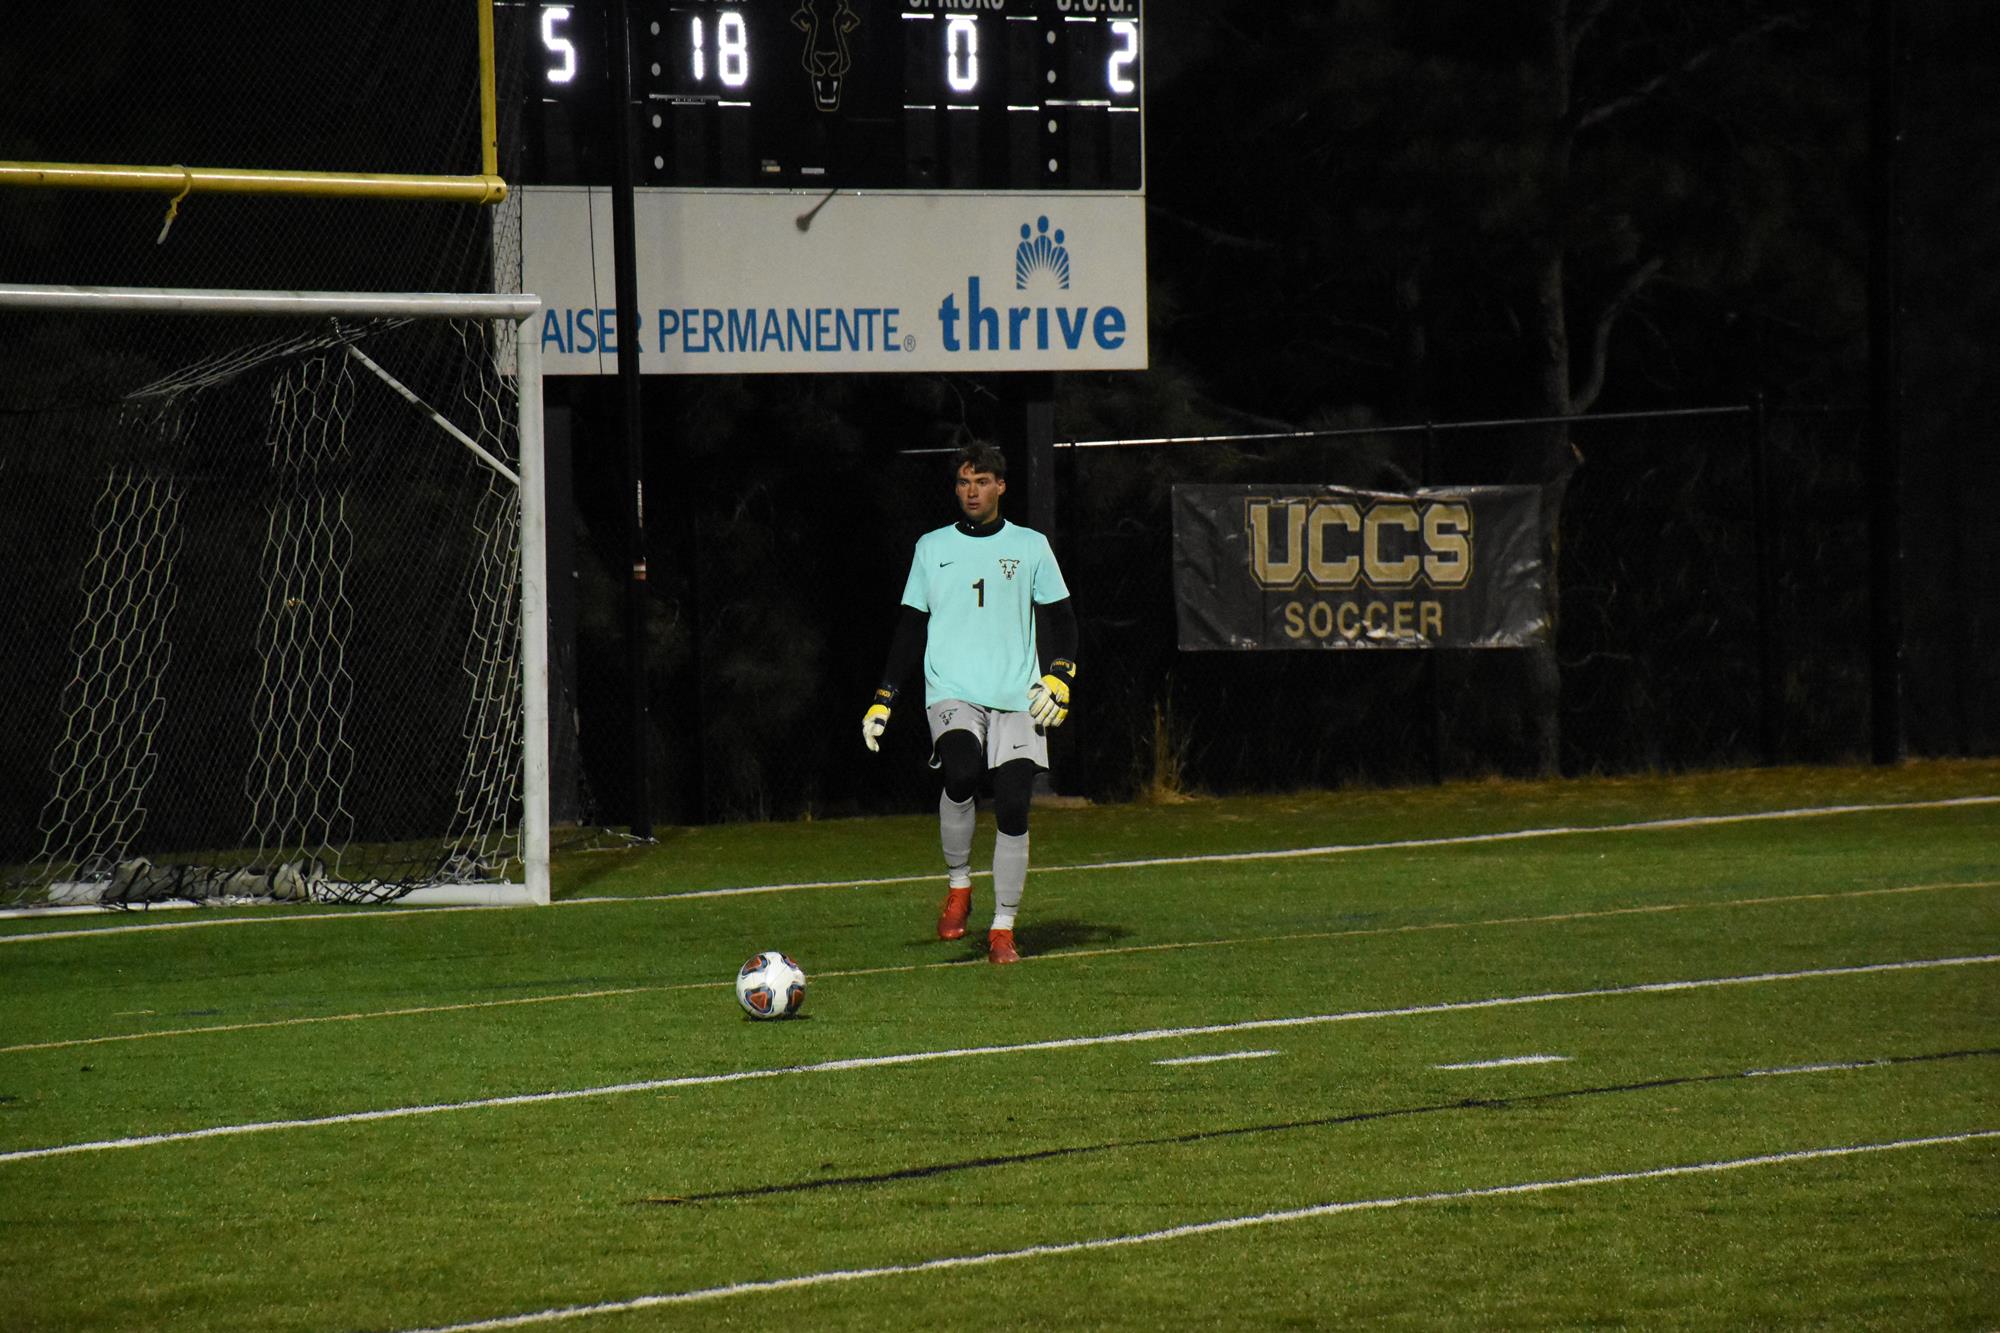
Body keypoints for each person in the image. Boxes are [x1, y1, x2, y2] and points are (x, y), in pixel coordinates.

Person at [861, 442, 1078, 964]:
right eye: (963, 482)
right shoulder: (932, 546)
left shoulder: (1030, 546)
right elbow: (911, 627)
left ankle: (1003, 927)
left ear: (1001, 486)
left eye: (982, 481)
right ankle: (959, 887)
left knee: (1013, 804)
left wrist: (1061, 676)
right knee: (959, 773)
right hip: (952, 687)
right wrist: (883, 698)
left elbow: (1062, 620)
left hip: (1017, 694)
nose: (971, 491)